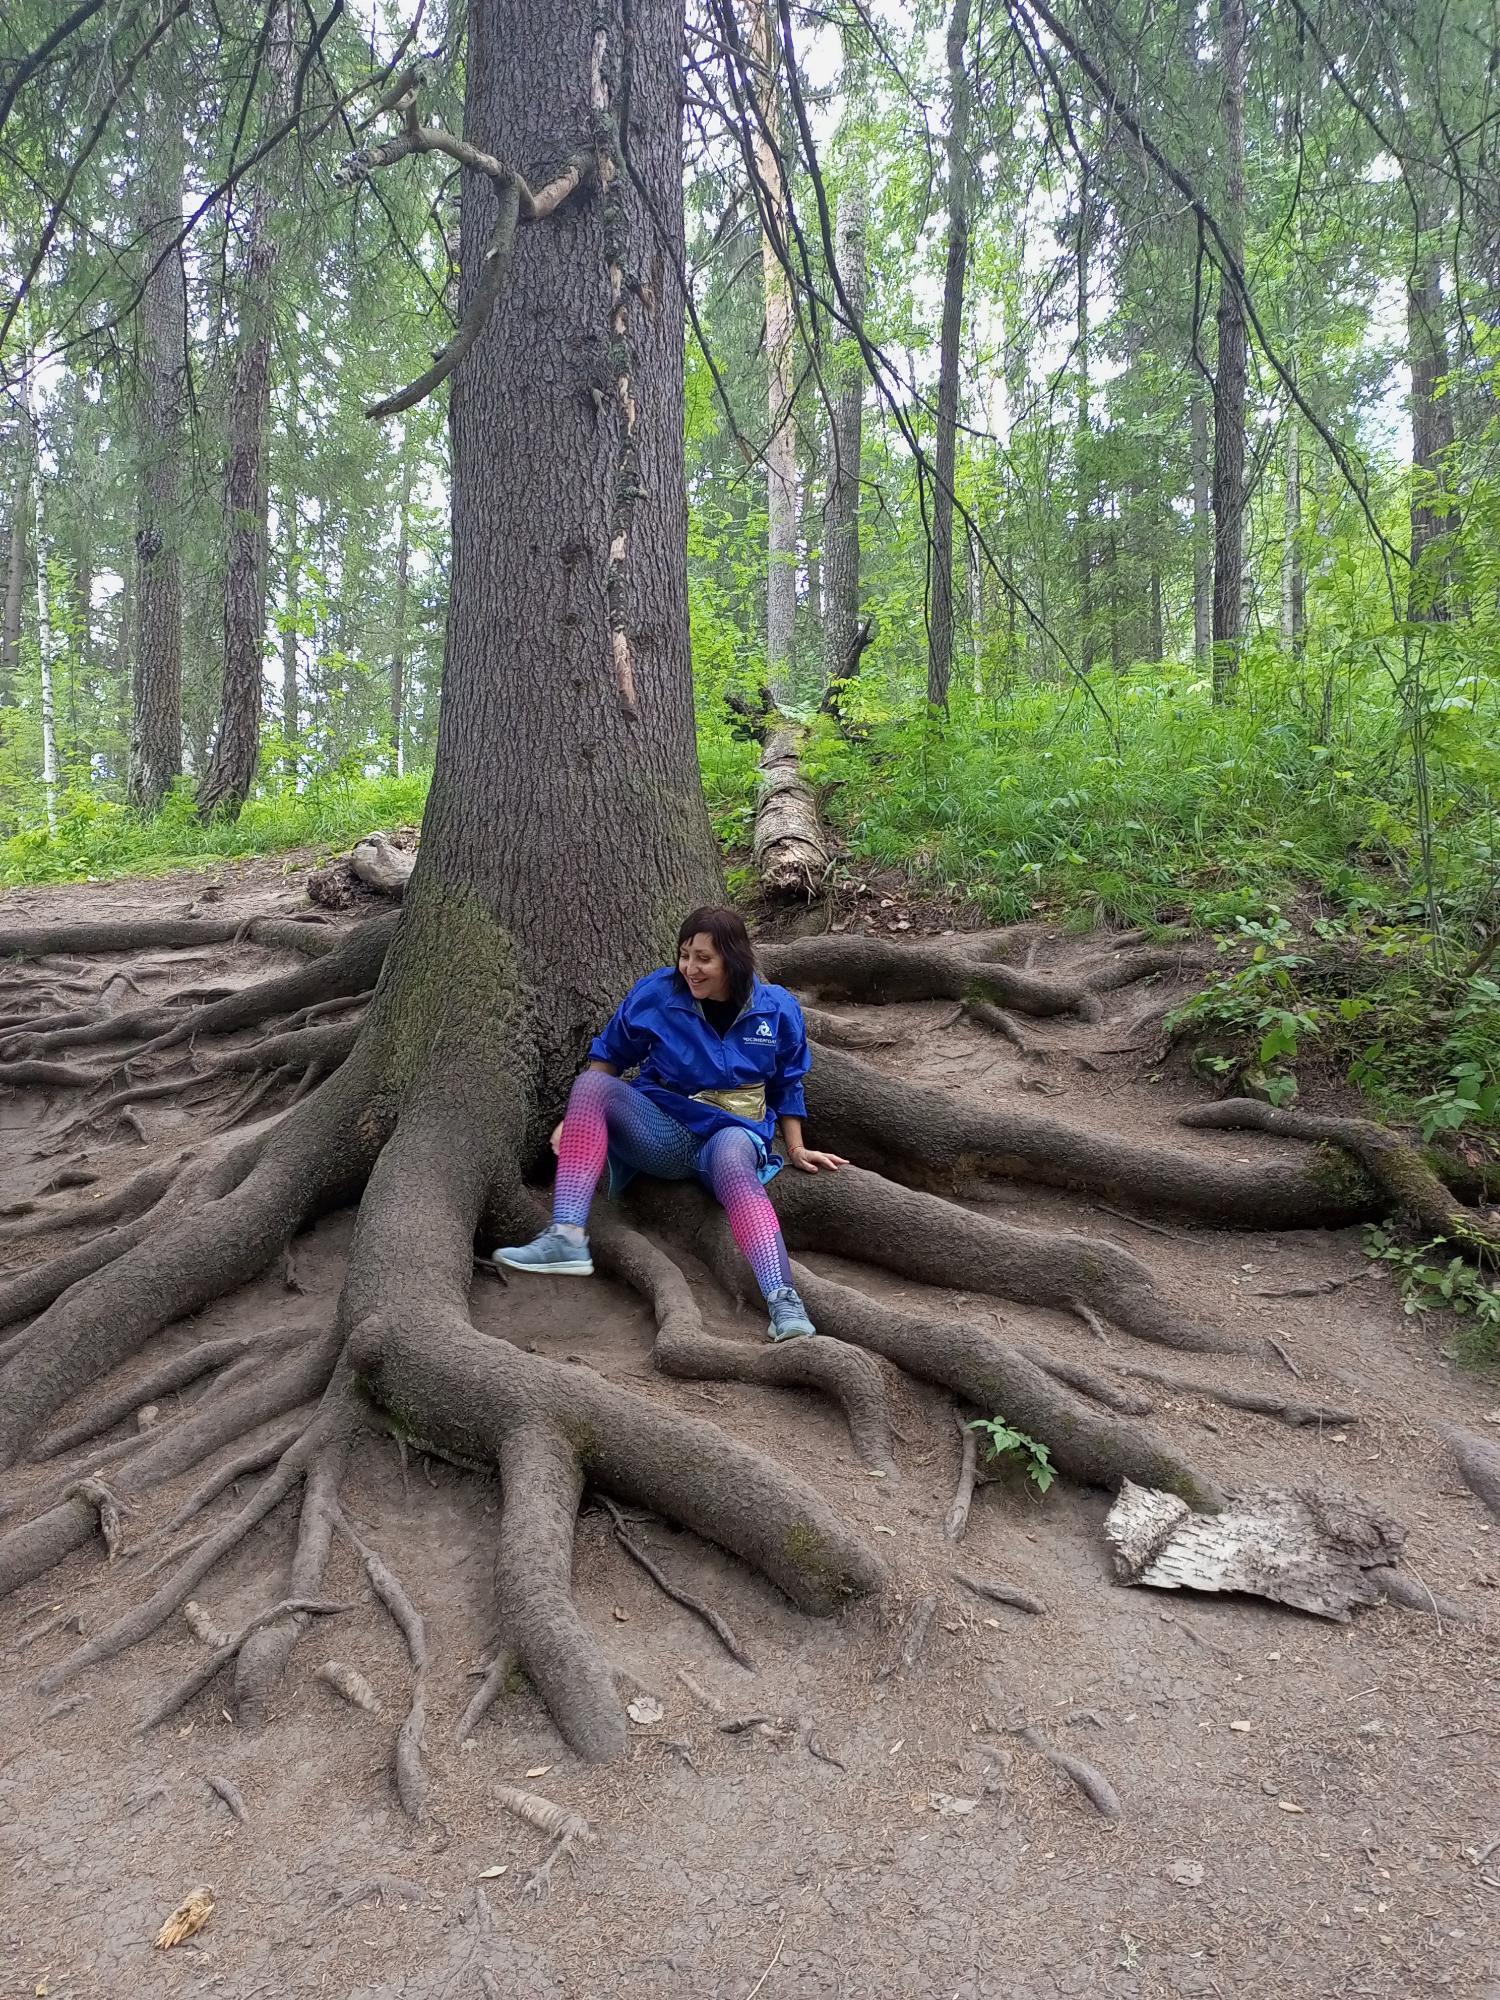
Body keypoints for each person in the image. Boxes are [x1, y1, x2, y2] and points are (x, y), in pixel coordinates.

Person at [494, 906, 848, 1340]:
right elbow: (608, 1057)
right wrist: (581, 1118)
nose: (690, 968)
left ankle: (783, 1303)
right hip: (664, 1129)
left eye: (703, 958)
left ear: (732, 960)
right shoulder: (658, 994)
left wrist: (795, 1148)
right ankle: (566, 1235)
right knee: (589, 1086)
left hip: (731, 1133)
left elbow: (788, 1085)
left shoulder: (777, 1009)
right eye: (685, 955)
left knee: (738, 1167)